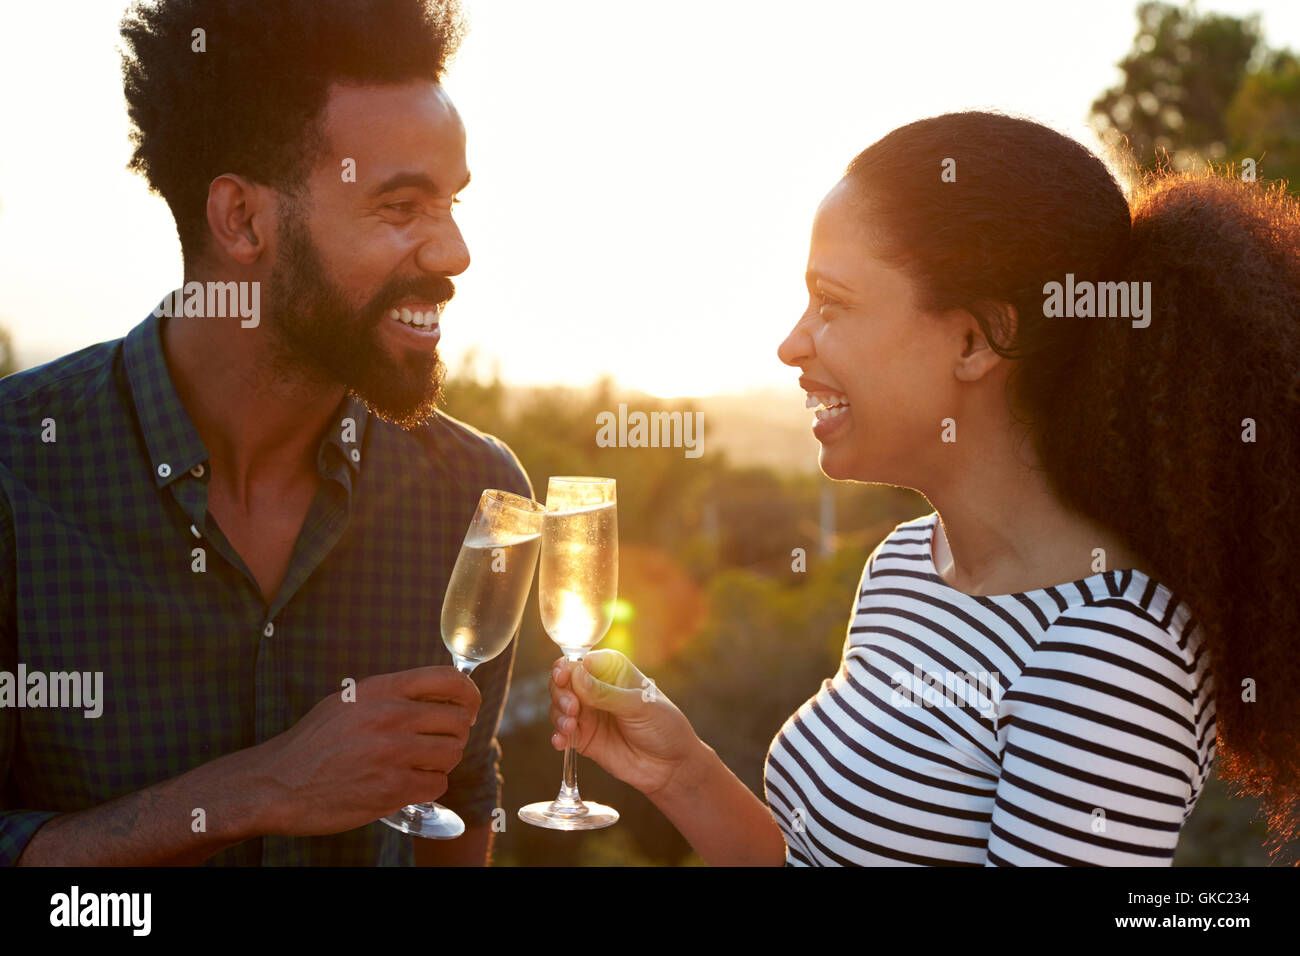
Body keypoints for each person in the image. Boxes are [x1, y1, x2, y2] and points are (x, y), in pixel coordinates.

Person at [546, 112, 1300, 866]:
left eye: (832, 303)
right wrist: (680, 770)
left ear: (975, 340)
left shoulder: (1108, 656)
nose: (791, 343)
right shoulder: (906, 564)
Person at [0, 0, 529, 866]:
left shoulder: (472, 496)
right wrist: (262, 789)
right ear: (241, 219)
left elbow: (462, 802)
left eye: (452, 202)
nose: (455, 252)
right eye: (402, 206)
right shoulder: (18, 473)